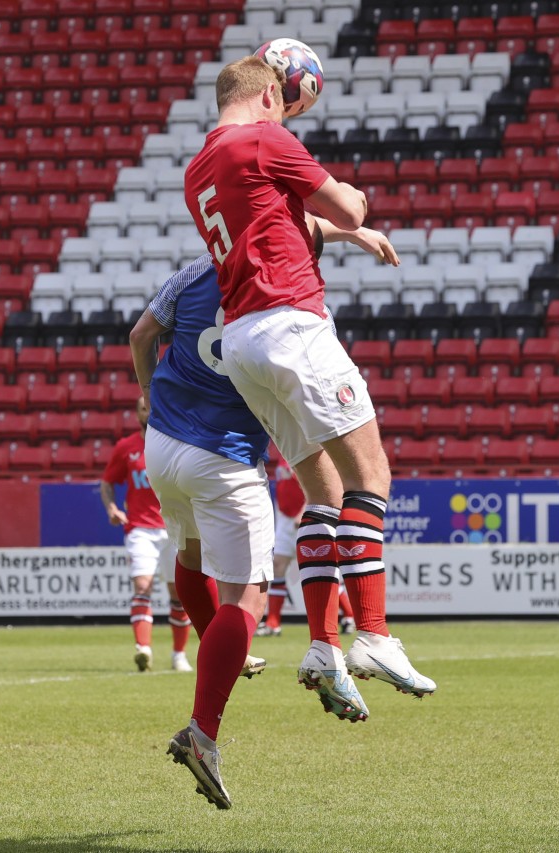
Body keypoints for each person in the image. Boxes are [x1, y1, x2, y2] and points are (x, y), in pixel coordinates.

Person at [184, 56, 436, 724]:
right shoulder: (267, 138)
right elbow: (346, 202)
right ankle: (375, 634)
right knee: (371, 475)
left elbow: (282, 224)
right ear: (271, 94)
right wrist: (354, 212)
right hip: (291, 321)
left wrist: (347, 236)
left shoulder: (201, 164)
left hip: (241, 339)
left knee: (323, 494)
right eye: (287, 104)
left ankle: (323, 644)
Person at [130, 219, 400, 806]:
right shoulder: (280, 299)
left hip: (161, 444)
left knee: (190, 555)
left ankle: (221, 650)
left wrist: (152, 396)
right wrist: (354, 234)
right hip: (222, 458)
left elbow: (140, 334)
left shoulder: (192, 273)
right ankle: (204, 732)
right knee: (248, 600)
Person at [100, 397, 192, 673]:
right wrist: (112, 507)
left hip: (173, 527)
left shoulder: (176, 443)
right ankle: (144, 649)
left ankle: (179, 655)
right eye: (143, 408)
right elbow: (107, 482)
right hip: (140, 529)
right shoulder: (126, 447)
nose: (148, 411)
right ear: (137, 413)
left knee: (179, 594)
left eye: (152, 406)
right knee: (142, 586)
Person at [256, 444, 356, 638]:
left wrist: (304, 510)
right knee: (278, 566)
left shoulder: (310, 445)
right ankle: (273, 623)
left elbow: (319, 482)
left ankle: (349, 615)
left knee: (325, 566)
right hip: (285, 517)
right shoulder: (285, 446)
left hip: (308, 513)